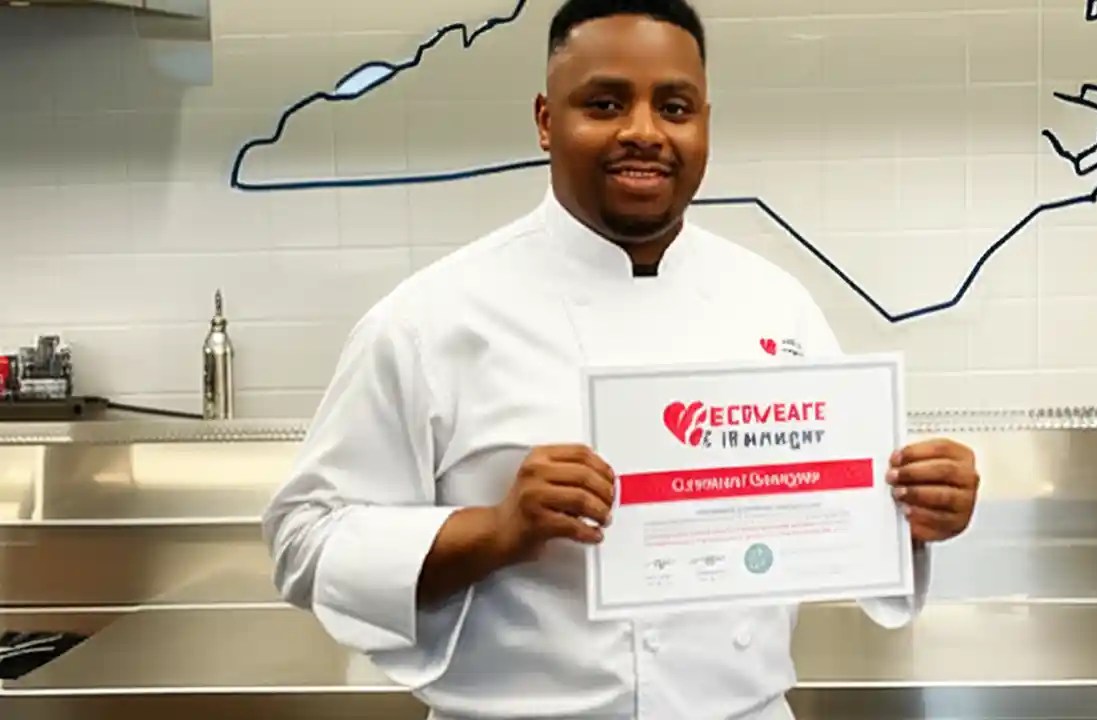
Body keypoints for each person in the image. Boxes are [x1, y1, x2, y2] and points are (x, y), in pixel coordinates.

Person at [261, 1, 980, 718]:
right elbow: (304, 542)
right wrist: (499, 529)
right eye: (604, 103)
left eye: (674, 106)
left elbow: (846, 502)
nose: (644, 132)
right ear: (546, 120)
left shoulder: (776, 305)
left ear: (704, 123)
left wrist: (918, 508)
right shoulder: (430, 320)